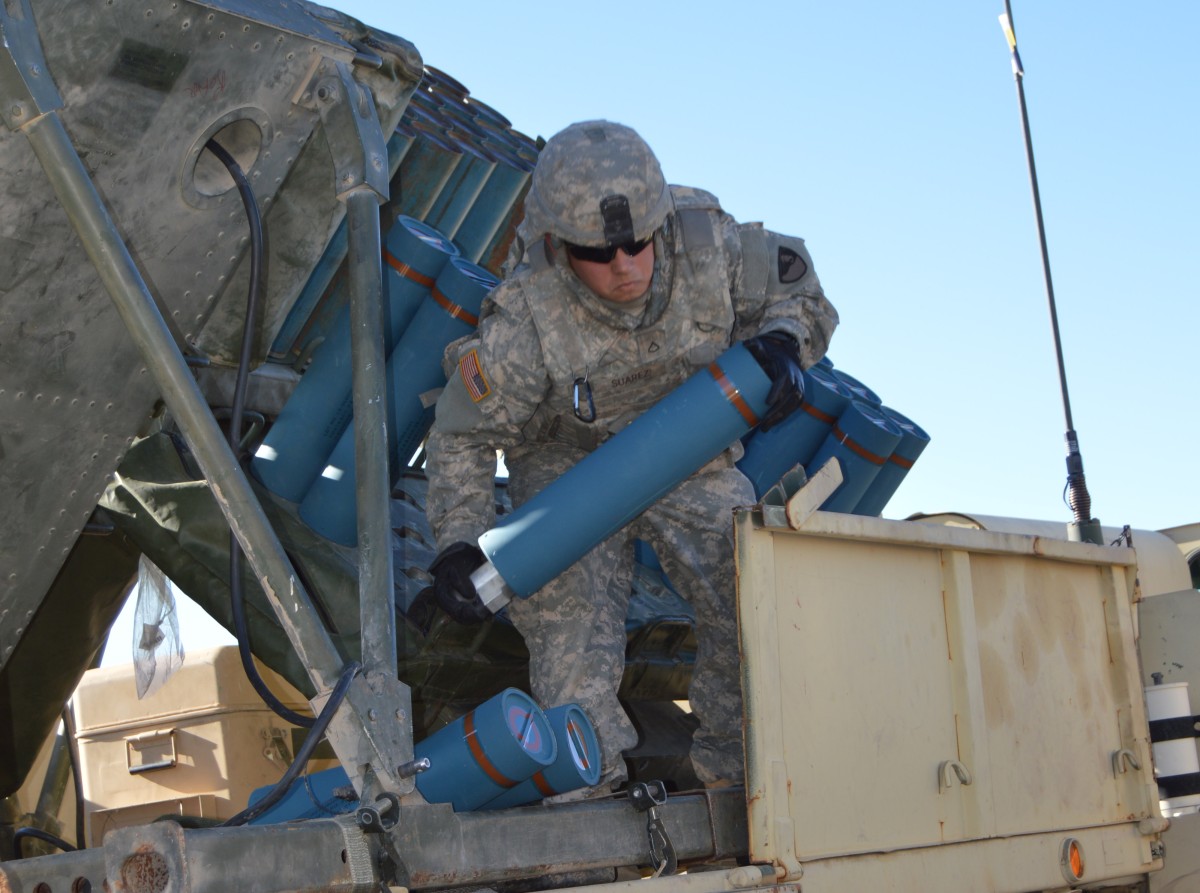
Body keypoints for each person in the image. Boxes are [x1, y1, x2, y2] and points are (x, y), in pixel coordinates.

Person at [422, 120, 838, 793]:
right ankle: (591, 805)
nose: (625, 267)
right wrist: (458, 543)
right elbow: (461, 434)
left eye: (638, 243)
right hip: (568, 465)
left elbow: (800, 293)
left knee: (756, 592)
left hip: (688, 448)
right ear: (560, 245)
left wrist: (787, 342)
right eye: (599, 252)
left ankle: (744, 785)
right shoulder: (528, 315)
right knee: (570, 630)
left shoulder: (709, 242)